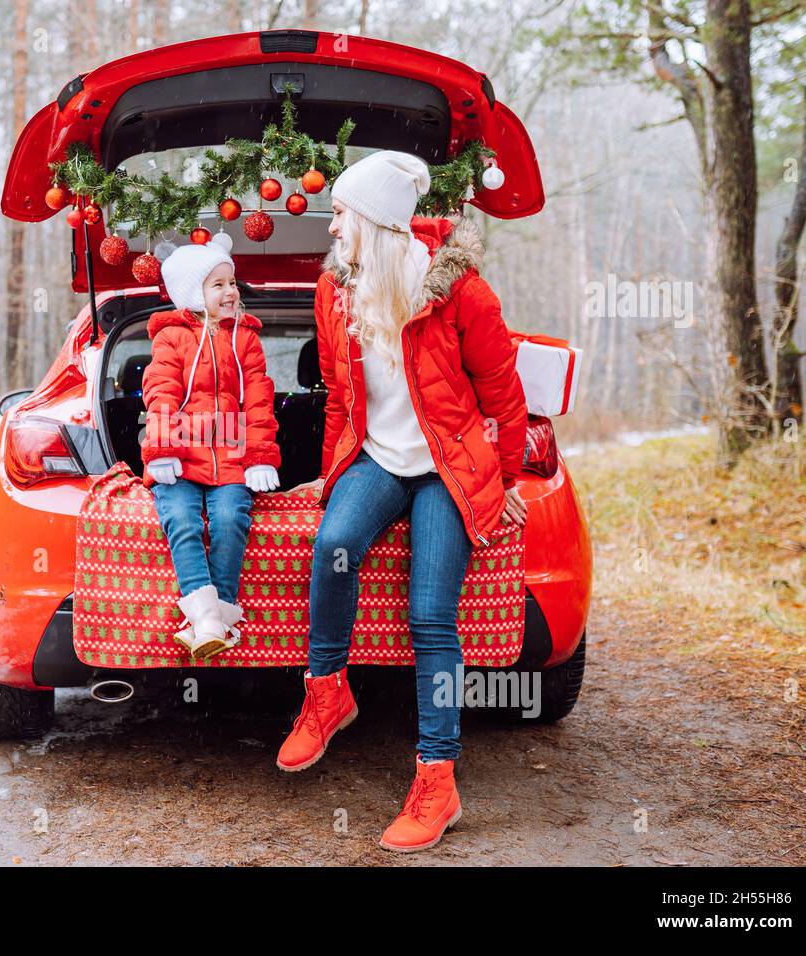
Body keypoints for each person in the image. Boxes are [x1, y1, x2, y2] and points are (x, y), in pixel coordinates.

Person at [275, 151, 529, 852]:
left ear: (378, 226)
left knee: (429, 615)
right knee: (332, 546)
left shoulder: (460, 294)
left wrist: (503, 480)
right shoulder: (336, 294)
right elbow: (338, 397)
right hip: (378, 460)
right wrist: (332, 478)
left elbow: (506, 396)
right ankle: (327, 691)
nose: (331, 230)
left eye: (341, 217)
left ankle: (437, 779)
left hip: (446, 469)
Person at [140, 236, 281, 661]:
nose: (230, 292)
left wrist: (259, 457)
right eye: (217, 285)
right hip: (179, 459)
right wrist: (162, 448)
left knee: (230, 520)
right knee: (181, 519)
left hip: (232, 459)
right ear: (191, 294)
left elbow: (259, 400)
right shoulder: (170, 339)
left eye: (232, 282)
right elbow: (160, 391)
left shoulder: (246, 341)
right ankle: (207, 619)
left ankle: (212, 620)